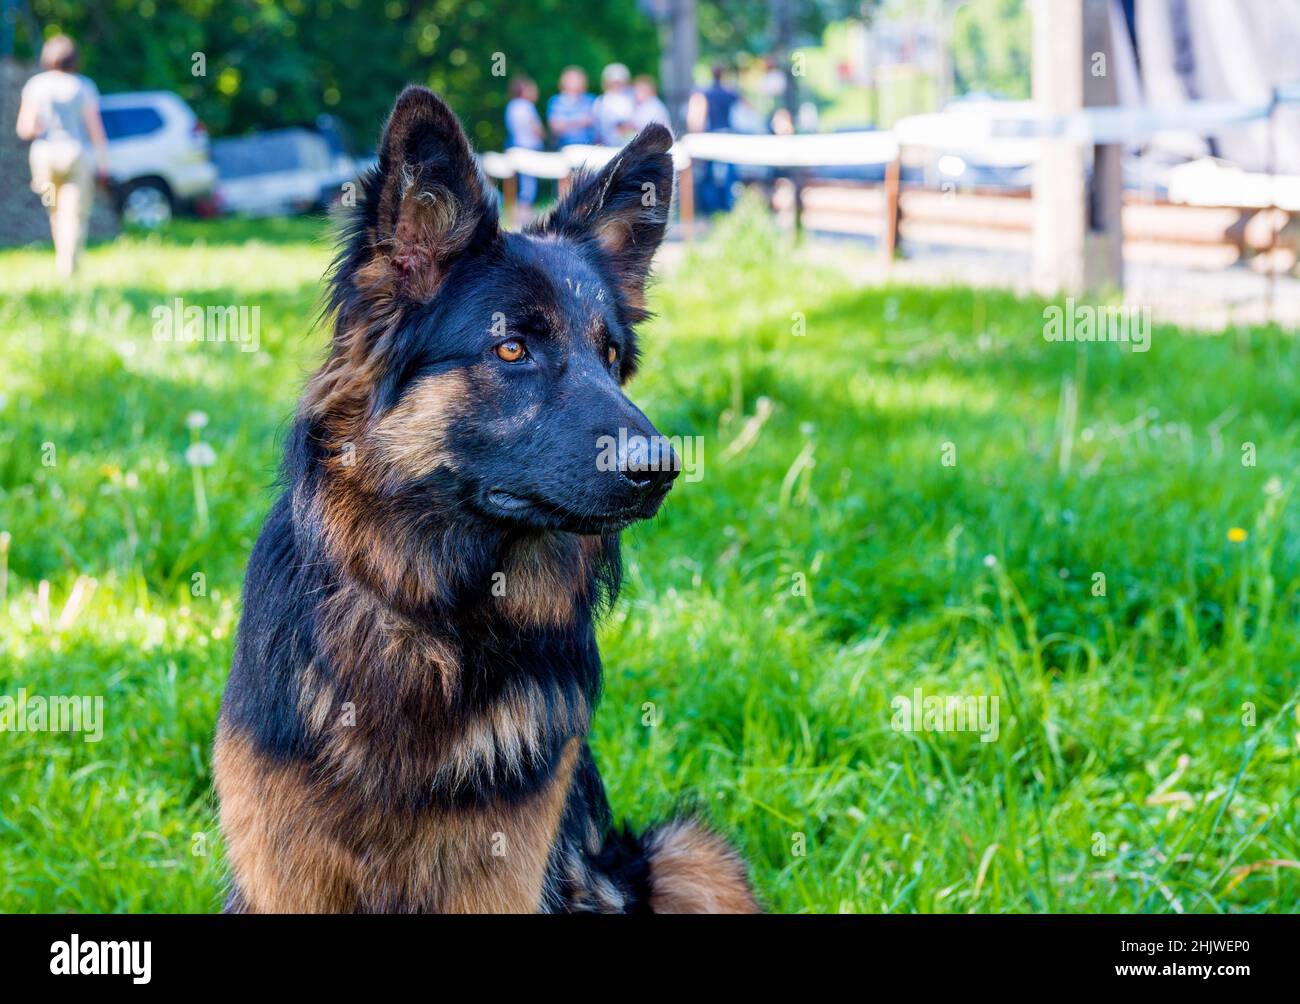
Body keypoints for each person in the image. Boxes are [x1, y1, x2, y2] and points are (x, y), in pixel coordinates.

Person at [15, 34, 109, 278]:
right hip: (76, 154)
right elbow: (95, 129)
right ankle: (69, 265)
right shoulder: (82, 86)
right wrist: (103, 163)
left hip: (44, 157)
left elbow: (25, 128)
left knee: (55, 212)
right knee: (75, 213)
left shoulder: (36, 85)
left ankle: (62, 262)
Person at [686, 65, 740, 214]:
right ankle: (725, 206)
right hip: (726, 136)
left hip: (711, 137)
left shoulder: (705, 93)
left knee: (710, 174)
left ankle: (712, 208)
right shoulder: (728, 92)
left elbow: (697, 119)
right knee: (726, 174)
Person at [504, 75, 544, 215]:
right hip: (528, 147)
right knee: (528, 183)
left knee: (517, 181)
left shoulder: (511, 105)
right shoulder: (526, 106)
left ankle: (515, 210)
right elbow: (536, 128)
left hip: (516, 145)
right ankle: (524, 212)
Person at [546, 66, 596, 147]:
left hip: (588, 146)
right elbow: (555, 127)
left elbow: (593, 122)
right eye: (571, 79)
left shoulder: (590, 100)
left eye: (578, 79)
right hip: (563, 147)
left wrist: (567, 123)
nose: (575, 82)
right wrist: (581, 121)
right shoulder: (555, 101)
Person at [592, 63, 636, 146]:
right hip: (606, 145)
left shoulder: (631, 99)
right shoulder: (600, 101)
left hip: (627, 145)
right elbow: (596, 127)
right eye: (613, 82)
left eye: (619, 82)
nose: (616, 85)